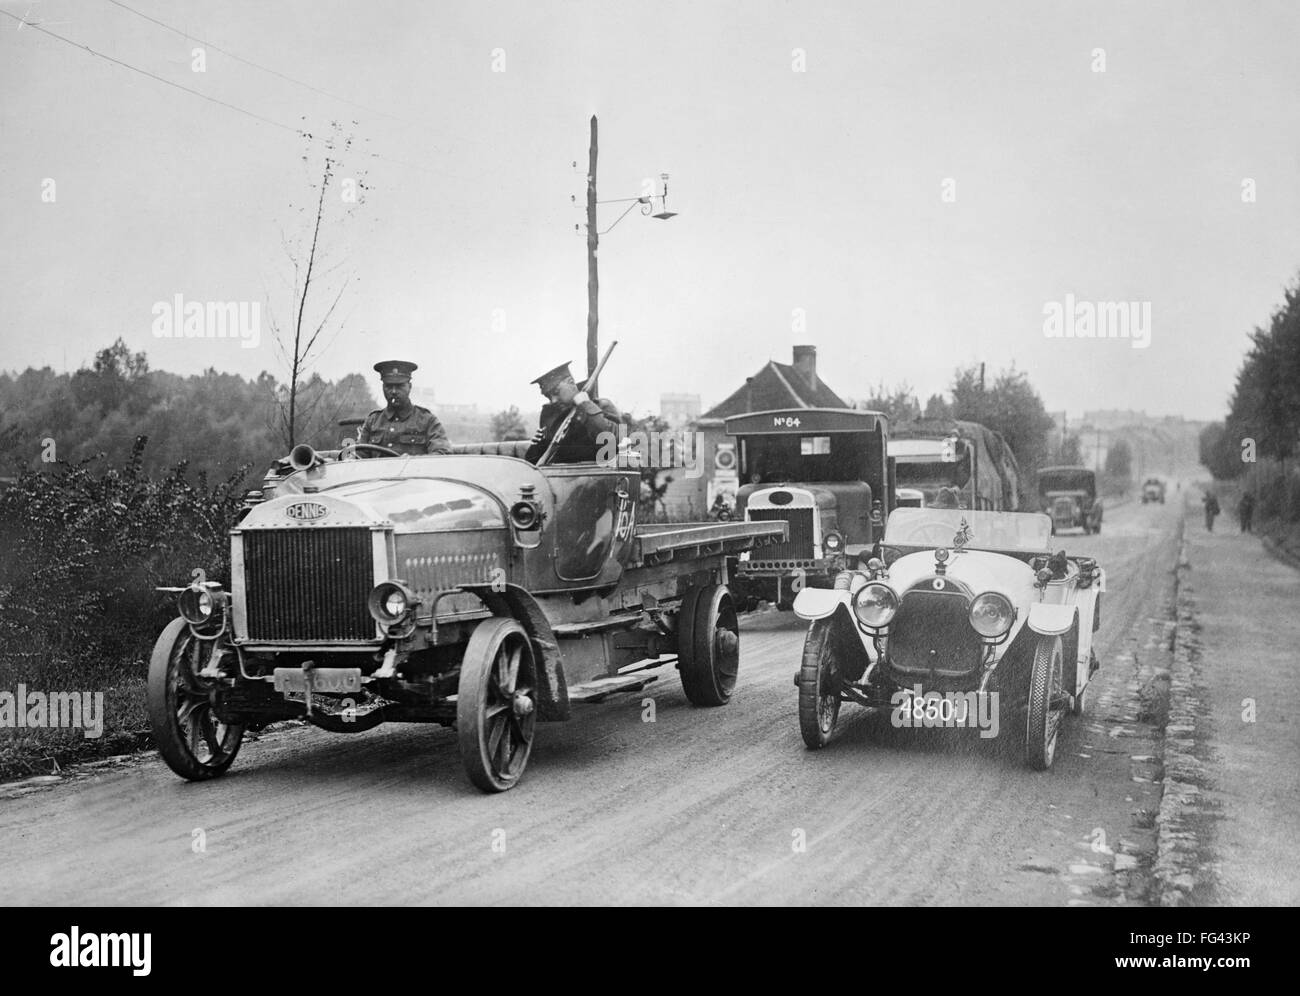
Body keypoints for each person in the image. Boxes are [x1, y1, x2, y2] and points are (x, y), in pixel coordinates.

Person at [523, 361, 622, 464]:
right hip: (558, 477)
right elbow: (533, 464)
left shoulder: (602, 406)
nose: (553, 400)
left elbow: (617, 444)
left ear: (570, 383)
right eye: (548, 396)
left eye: (556, 393)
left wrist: (586, 405)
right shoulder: (549, 415)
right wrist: (536, 446)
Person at [357, 360, 452, 457]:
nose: (393, 391)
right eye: (388, 386)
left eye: (399, 386)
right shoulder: (373, 421)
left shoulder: (427, 420)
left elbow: (442, 453)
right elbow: (359, 457)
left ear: (409, 387)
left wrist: (412, 461)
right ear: (383, 387)